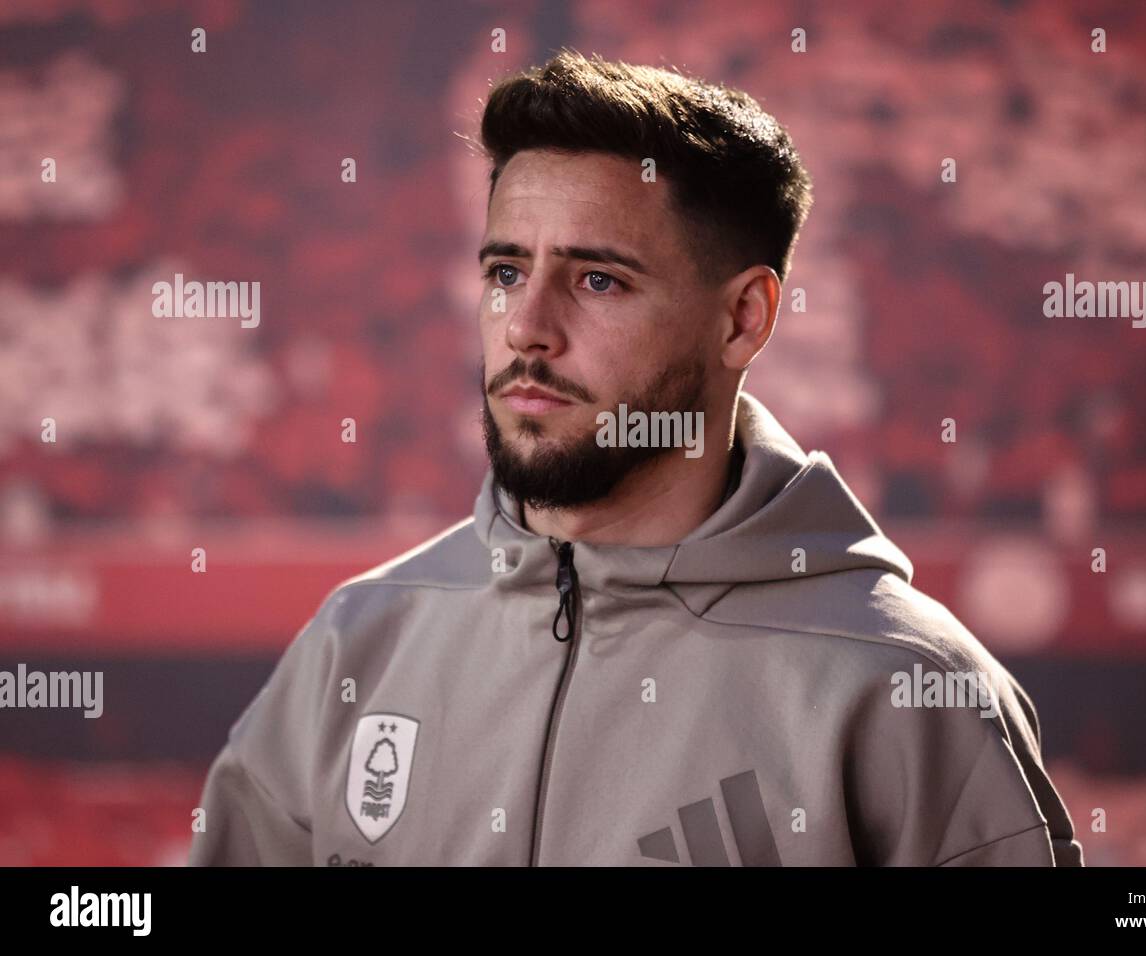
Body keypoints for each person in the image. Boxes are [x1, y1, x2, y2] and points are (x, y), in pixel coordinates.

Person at [189, 49, 1083, 867]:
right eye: (505, 272)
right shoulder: (357, 641)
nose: (528, 329)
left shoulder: (908, 688)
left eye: (597, 280)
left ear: (745, 319)